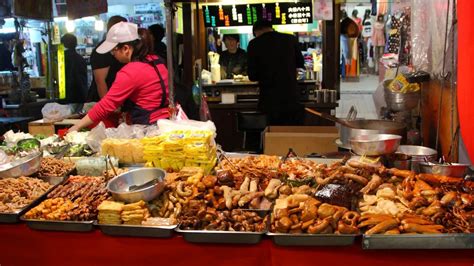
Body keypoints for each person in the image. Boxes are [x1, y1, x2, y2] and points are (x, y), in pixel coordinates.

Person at [69, 22, 170, 132]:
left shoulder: (131, 71)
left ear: (126, 48)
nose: (113, 54)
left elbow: (106, 105)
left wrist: (77, 126)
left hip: (148, 129)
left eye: (113, 50)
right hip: (166, 123)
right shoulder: (157, 61)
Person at [247, 20, 305, 125]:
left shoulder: (254, 44)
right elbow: (300, 63)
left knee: (271, 135)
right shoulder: (291, 39)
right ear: (271, 28)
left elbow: (252, 76)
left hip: (269, 101)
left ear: (256, 32)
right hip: (291, 98)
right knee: (292, 133)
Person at [86, 15, 127, 103]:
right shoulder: (102, 50)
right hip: (103, 101)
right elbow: (100, 81)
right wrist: (108, 106)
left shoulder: (123, 47)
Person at [60, 33, 87, 111]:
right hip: (80, 95)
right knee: (77, 117)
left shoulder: (61, 59)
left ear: (63, 44)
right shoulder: (80, 58)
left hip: (67, 96)